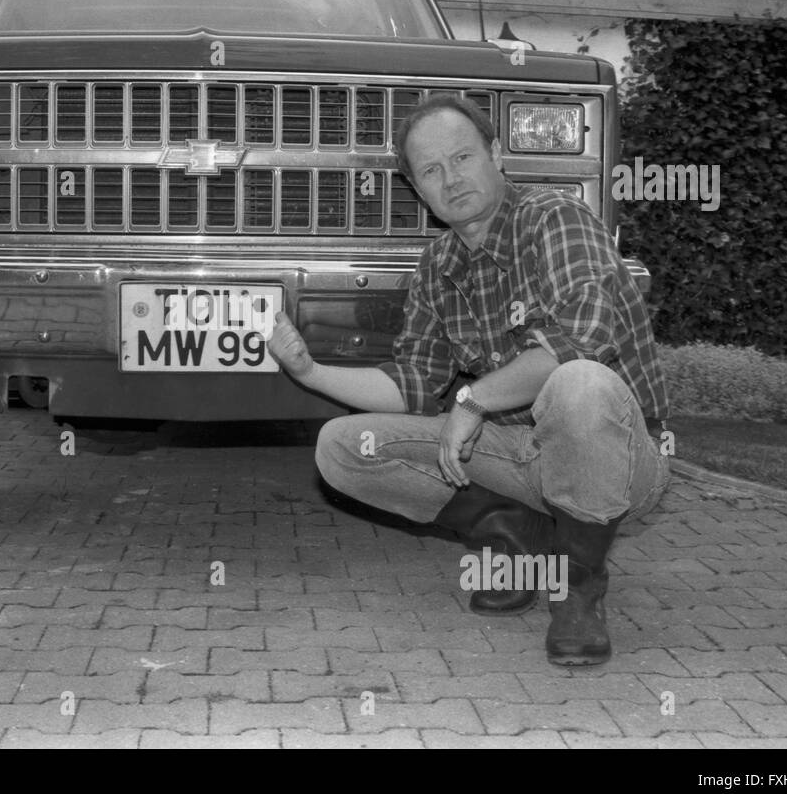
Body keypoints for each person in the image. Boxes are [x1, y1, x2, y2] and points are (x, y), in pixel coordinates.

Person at [267, 94, 671, 666]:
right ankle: (519, 533)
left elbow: (580, 342)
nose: (451, 179)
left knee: (580, 380)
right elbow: (410, 382)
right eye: (431, 170)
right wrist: (310, 370)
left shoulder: (554, 217)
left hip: (619, 459)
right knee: (340, 446)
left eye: (462, 158)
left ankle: (578, 588)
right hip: (518, 454)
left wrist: (473, 401)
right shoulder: (437, 266)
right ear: (417, 188)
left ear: (497, 155)